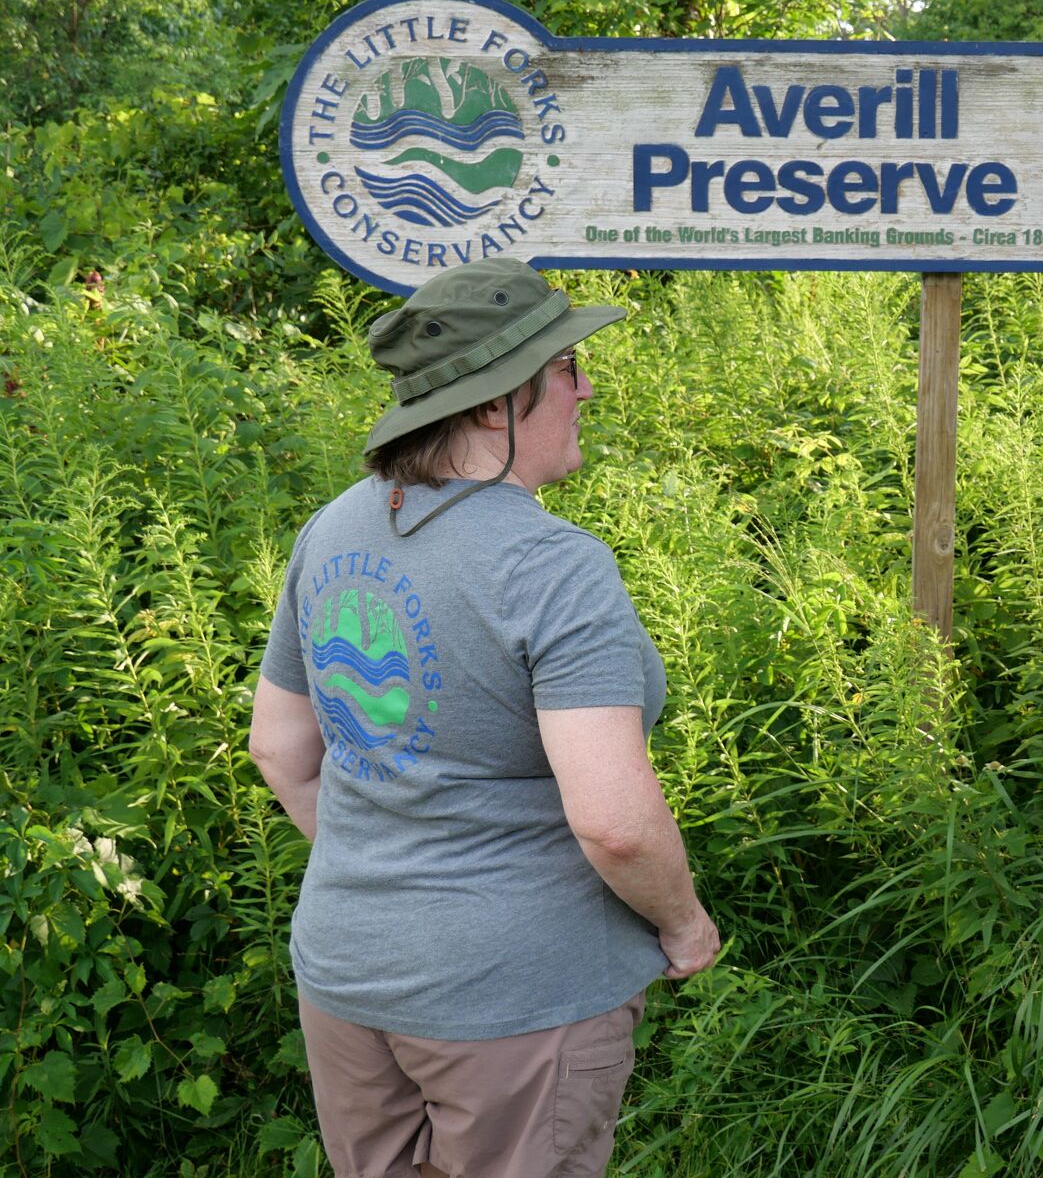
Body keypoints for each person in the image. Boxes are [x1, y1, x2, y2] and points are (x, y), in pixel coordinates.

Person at [248, 257, 718, 1178]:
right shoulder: (552, 566)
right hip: (517, 1000)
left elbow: (279, 748)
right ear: (497, 403)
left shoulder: (333, 528)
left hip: (347, 975)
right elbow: (616, 826)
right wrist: (684, 925)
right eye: (566, 369)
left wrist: (383, 870)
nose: (586, 386)